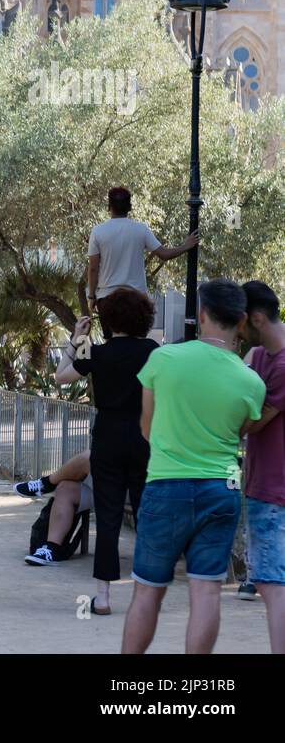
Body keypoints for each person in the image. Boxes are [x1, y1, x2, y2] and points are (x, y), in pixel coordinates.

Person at [122, 280, 266, 654]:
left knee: (147, 592)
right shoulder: (251, 382)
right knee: (206, 592)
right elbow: (241, 431)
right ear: (240, 321)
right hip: (221, 489)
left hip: (166, 486)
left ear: (201, 315)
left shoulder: (163, 359)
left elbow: (146, 427)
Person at [49, 289, 158, 612]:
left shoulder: (97, 352)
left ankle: (104, 597)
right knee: (146, 518)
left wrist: (76, 339)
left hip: (107, 438)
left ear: (109, 320)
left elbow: (61, 377)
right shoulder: (154, 351)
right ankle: (146, 595)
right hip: (145, 437)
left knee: (108, 519)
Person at [240, 280, 285, 652]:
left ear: (255, 318)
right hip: (262, 487)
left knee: (272, 586)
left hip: (274, 492)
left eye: (239, 321)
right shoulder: (257, 356)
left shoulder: (282, 363)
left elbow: (251, 423)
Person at [87, 186, 198, 317]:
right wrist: (185, 246)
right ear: (130, 207)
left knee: (111, 338)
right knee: (135, 337)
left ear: (109, 207)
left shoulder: (98, 232)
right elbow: (164, 254)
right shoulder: (141, 230)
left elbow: (93, 268)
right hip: (135, 298)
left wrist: (91, 296)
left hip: (106, 298)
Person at [20, 451, 93, 566]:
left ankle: (46, 483)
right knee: (65, 488)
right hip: (105, 485)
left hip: (127, 489)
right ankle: (52, 548)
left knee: (89, 457)